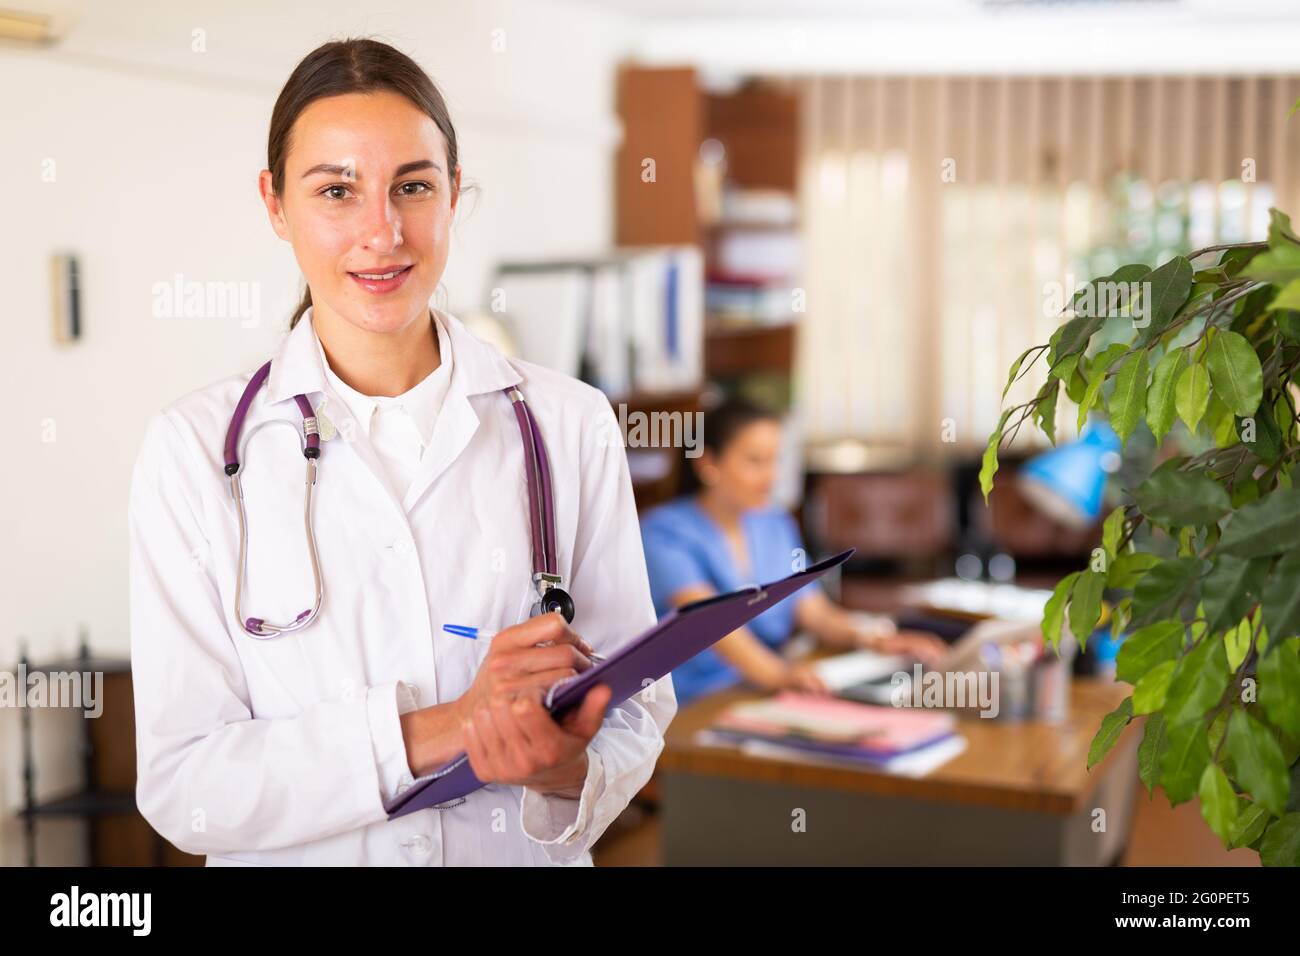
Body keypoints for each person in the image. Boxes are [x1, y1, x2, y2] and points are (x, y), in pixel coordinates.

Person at [127, 38, 674, 867]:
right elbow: (186, 787)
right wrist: (446, 728)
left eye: (412, 186)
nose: (381, 232)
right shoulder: (192, 452)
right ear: (275, 204)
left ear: (455, 194)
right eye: (336, 190)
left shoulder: (570, 424)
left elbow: (634, 706)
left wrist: (565, 774)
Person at [640, 397, 946, 707]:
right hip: (693, 702)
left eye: (775, 461)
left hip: (759, 691)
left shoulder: (775, 524)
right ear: (707, 463)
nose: (770, 477)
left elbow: (813, 610)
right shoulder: (664, 532)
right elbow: (709, 625)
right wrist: (781, 676)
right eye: (755, 461)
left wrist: (876, 639)